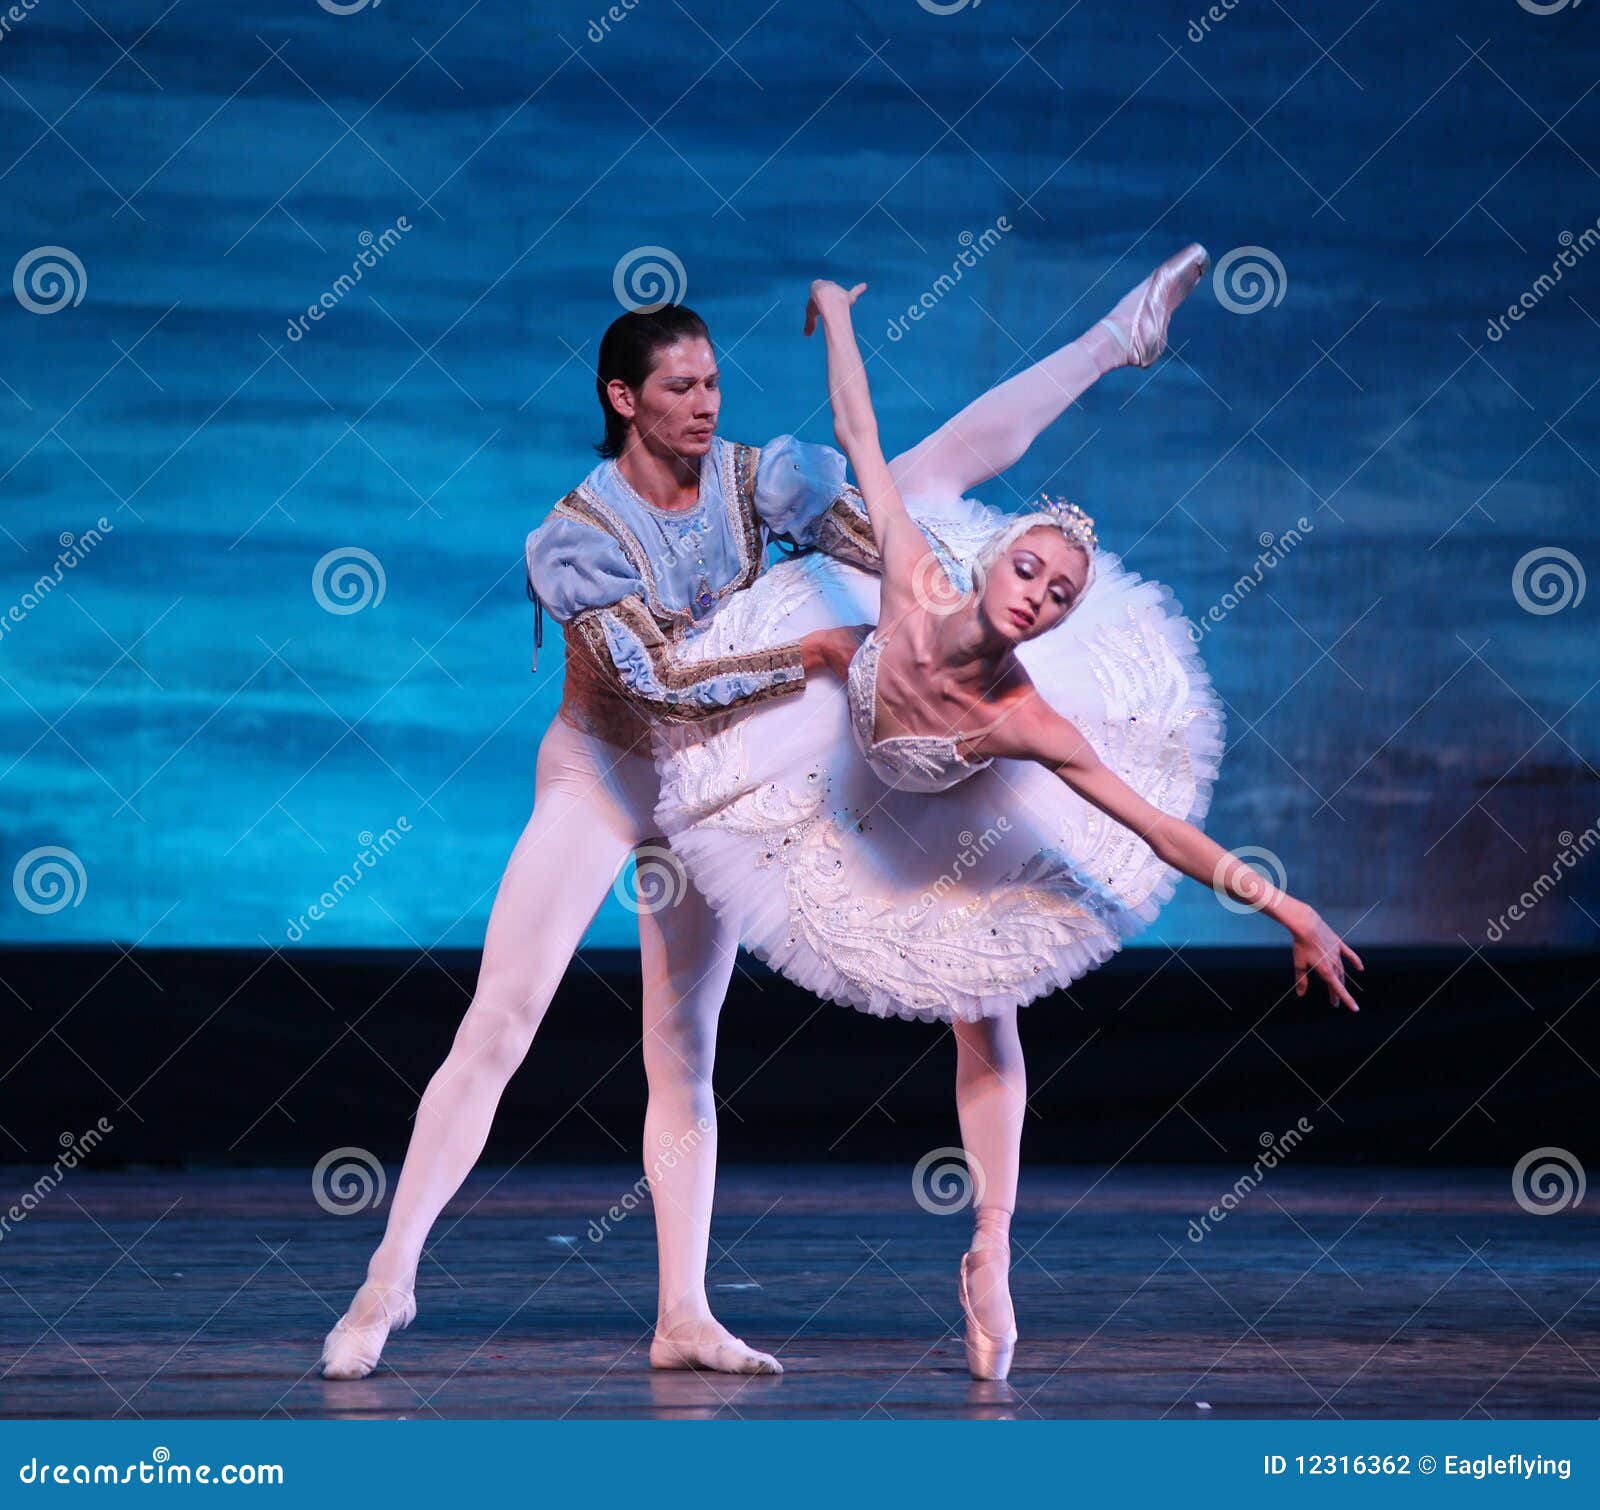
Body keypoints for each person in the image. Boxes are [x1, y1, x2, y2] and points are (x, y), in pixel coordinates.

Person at [649, 247, 1364, 1382]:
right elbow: (861, 431)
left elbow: (1157, 831)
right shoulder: (915, 577)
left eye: (1059, 595)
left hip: (966, 799)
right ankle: (1113, 338)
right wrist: (833, 308)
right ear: (993, 562)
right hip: (852, 756)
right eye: (1029, 569)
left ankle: (989, 1251)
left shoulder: (1035, 722)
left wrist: (1287, 904)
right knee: (782, 665)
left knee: (985, 1006)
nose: (1037, 594)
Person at [319, 302, 877, 1381]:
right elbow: (659, 684)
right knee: (503, 1017)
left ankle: (683, 1313)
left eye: (714, 382)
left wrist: (952, 592)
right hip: (604, 771)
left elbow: (885, 546)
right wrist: (811, 653)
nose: (706, 403)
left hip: (703, 785)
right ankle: (389, 1277)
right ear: (623, 399)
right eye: (679, 387)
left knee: (685, 1054)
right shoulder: (581, 532)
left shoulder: (765, 479)